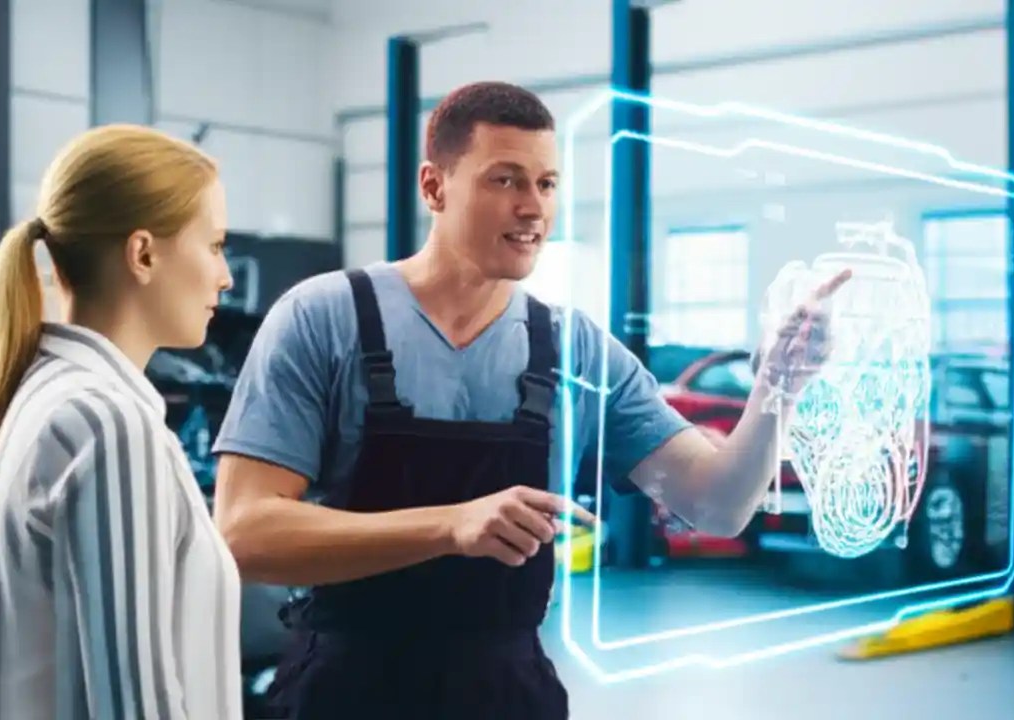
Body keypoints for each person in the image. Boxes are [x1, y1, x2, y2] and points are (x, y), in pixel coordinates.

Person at [211, 81, 845, 720]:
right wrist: (451, 525)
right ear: (434, 187)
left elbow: (718, 504)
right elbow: (244, 532)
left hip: (507, 695)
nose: (533, 208)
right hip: (346, 693)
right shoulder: (325, 318)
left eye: (546, 184)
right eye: (505, 181)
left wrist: (777, 387)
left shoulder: (576, 351)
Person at [0, 124, 244, 720]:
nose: (226, 276)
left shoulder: (43, 401)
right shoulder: (106, 425)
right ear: (143, 253)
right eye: (214, 246)